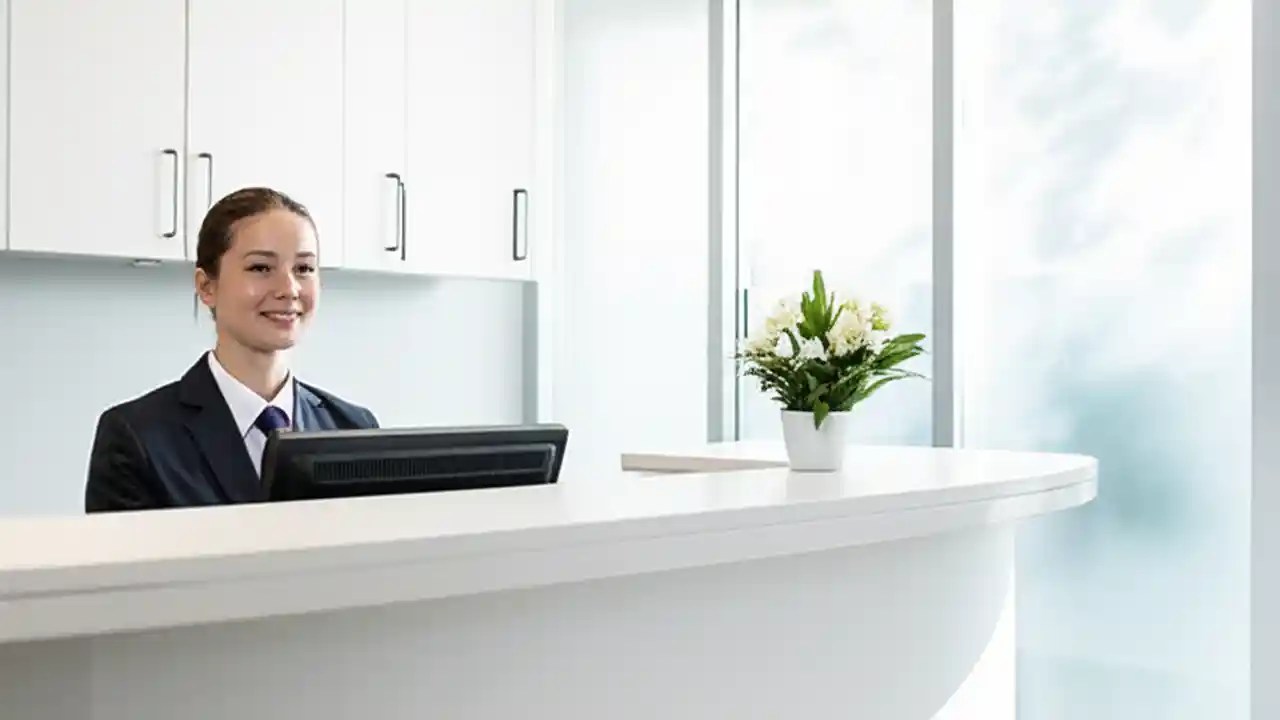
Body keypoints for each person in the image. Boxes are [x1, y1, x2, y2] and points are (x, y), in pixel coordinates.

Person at [84, 187, 378, 512]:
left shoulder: (353, 428)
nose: (289, 289)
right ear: (206, 287)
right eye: (261, 268)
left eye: (304, 269)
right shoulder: (137, 437)